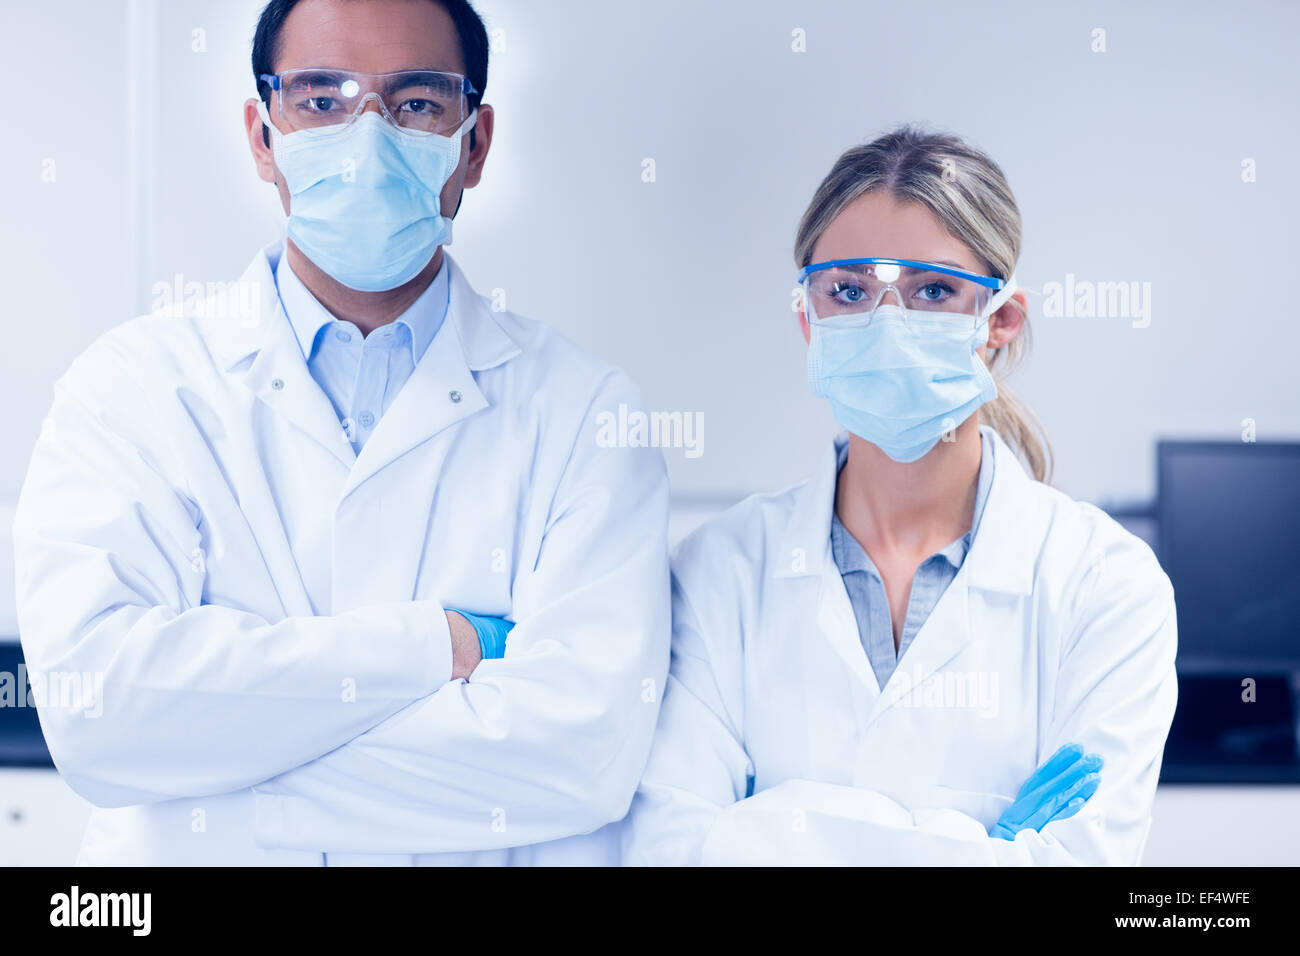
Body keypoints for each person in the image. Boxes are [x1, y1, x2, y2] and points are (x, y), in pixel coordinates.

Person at [14, 0, 669, 865]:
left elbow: (580, 757)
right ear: (262, 135)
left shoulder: (587, 416)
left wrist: (214, 792)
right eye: (322, 100)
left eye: (416, 104)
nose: (368, 141)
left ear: (474, 144)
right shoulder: (132, 389)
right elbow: (99, 712)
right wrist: (440, 643)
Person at [622, 127, 1177, 866]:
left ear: (1000, 322)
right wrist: (982, 850)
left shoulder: (1106, 584)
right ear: (808, 319)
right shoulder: (717, 570)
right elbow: (671, 850)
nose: (887, 325)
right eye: (849, 291)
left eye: (933, 291)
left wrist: (770, 824)